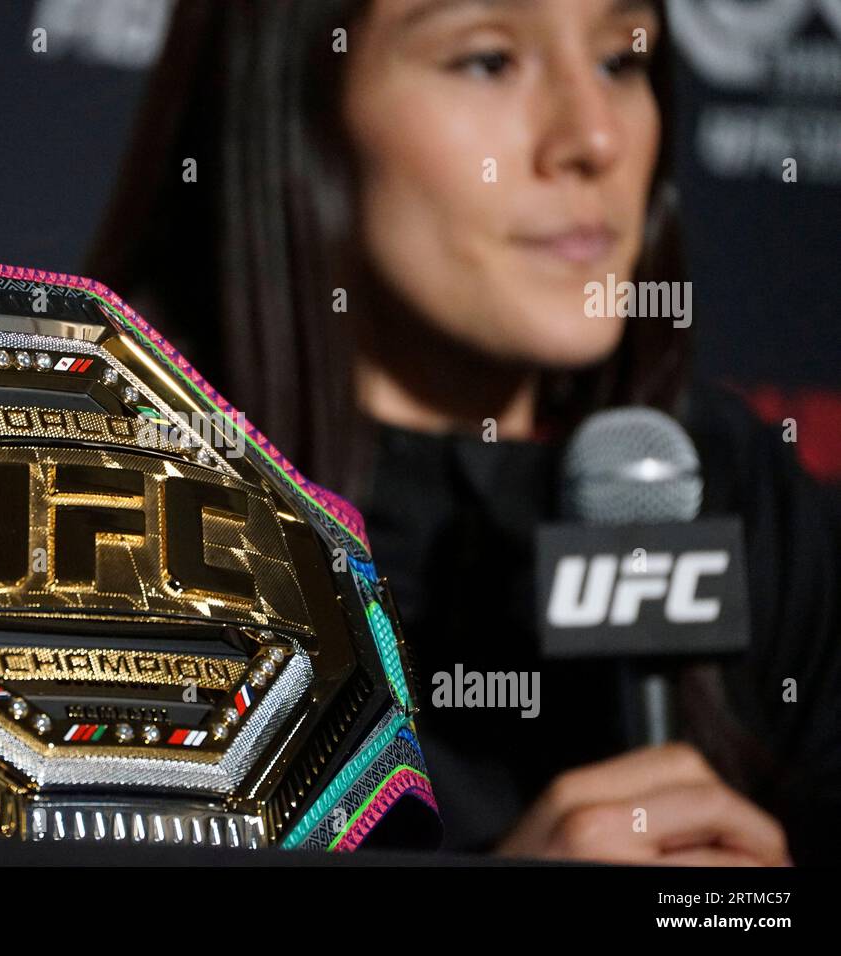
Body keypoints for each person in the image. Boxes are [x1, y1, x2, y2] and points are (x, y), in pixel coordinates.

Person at [85, 0, 840, 865]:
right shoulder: (110, 524)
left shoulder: (733, 481)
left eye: (620, 61)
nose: (593, 139)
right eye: (487, 61)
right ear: (296, 102)